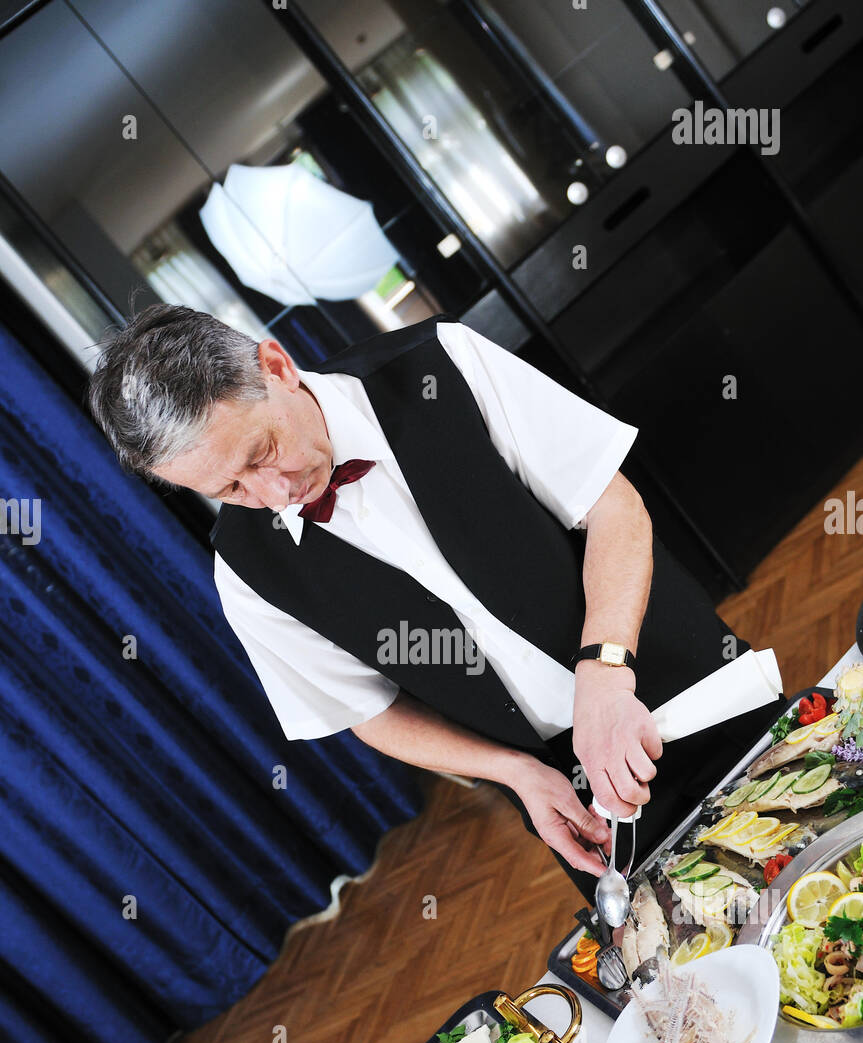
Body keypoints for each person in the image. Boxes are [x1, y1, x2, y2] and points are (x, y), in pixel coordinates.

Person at [89, 304, 778, 901]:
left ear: (276, 365)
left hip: (683, 676)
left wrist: (603, 674)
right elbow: (369, 712)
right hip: (577, 798)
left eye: (261, 452)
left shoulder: (441, 362)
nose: (272, 495)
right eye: (230, 489)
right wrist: (514, 774)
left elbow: (612, 506)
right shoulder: (246, 574)